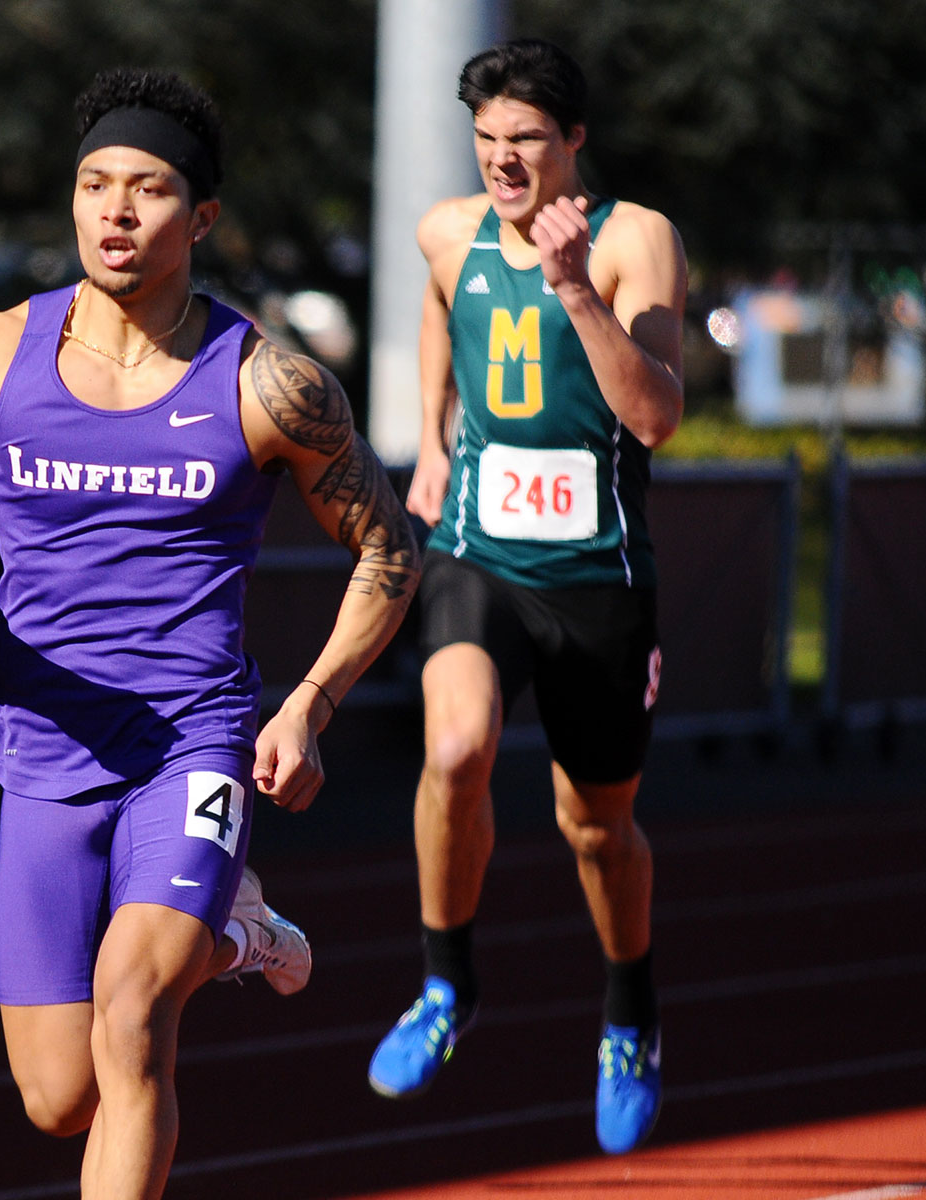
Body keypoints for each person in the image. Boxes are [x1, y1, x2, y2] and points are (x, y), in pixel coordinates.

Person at [0, 68, 418, 1200]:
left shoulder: (269, 384)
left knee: (132, 1019)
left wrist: (309, 706)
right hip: (44, 755)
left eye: (149, 188)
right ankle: (239, 929)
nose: (116, 211)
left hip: (193, 745)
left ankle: (202, 918)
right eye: (95, 185)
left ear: (203, 216)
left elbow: (389, 550)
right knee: (57, 1097)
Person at [364, 39, 686, 1157]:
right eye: (487, 138)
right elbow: (437, 306)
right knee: (455, 749)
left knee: (596, 828)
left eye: (528, 140)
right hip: (480, 555)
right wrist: (431, 436)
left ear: (575, 141)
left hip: (599, 580)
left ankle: (630, 1012)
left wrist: (573, 287)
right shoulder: (447, 231)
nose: (503, 160)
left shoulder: (635, 241)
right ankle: (445, 984)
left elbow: (656, 417)